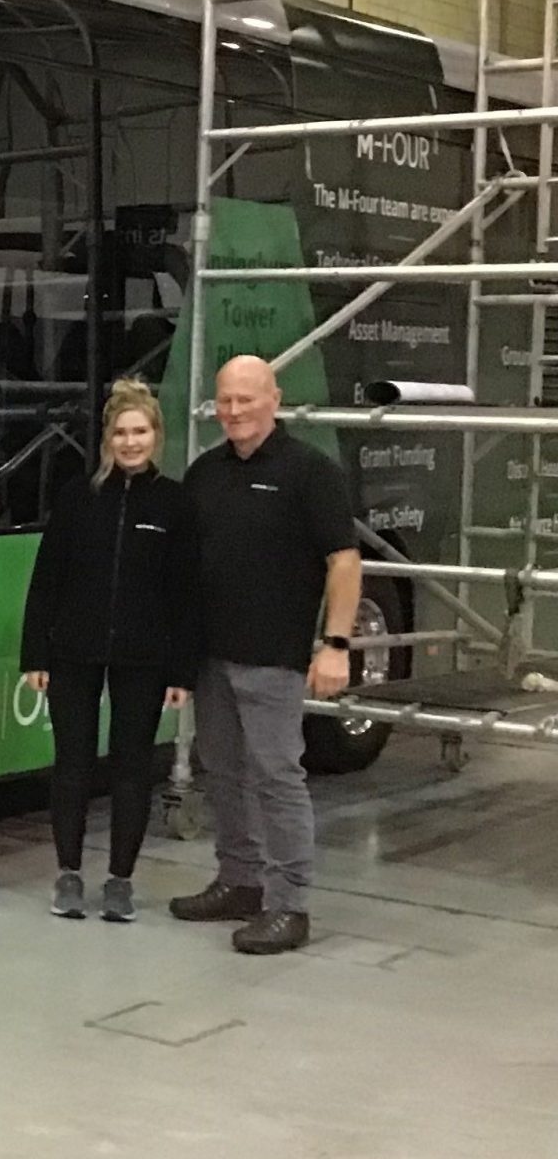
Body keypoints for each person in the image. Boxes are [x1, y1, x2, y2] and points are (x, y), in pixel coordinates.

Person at [170, 355, 361, 955]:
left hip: (275, 658)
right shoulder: (204, 474)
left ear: (273, 399)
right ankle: (240, 881)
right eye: (224, 400)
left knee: (277, 776)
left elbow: (344, 562)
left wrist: (336, 644)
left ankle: (289, 905)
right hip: (211, 656)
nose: (233, 411)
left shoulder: (311, 472)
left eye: (245, 400)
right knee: (220, 769)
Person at [21, 378, 198, 923]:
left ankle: (120, 880)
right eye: (120, 433)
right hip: (73, 650)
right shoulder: (78, 498)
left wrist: (181, 669)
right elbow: (46, 579)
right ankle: (69, 874)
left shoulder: (174, 503)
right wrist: (35, 655)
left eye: (139, 431)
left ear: (155, 436)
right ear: (106, 439)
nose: (129, 442)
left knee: (130, 768)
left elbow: (184, 591)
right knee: (72, 765)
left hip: (144, 658)